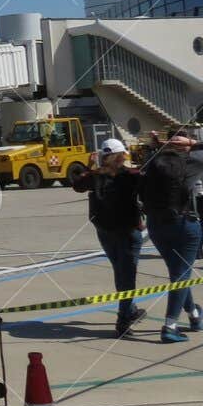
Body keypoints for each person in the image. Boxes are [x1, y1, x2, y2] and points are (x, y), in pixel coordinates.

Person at [139, 129, 203, 344]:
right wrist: (193, 142)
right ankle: (170, 325)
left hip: (156, 225)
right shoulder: (192, 160)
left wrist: (160, 143)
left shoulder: (153, 161)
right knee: (180, 275)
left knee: (178, 273)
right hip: (184, 223)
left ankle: (194, 315)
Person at [71, 138, 148, 338]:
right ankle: (123, 320)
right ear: (121, 155)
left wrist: (89, 166)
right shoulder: (132, 175)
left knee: (120, 271)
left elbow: (77, 184)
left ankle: (129, 310)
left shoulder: (95, 176)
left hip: (105, 230)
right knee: (127, 275)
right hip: (128, 230)